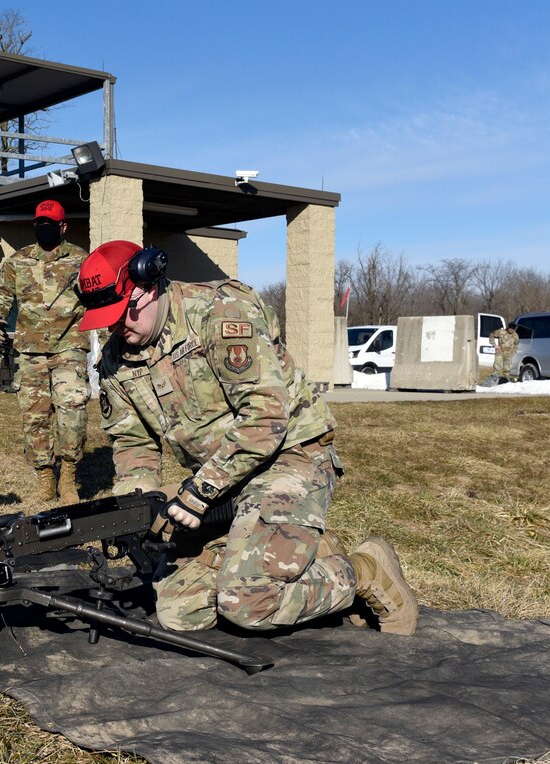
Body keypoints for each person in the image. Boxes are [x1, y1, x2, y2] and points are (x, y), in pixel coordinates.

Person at [77, 240, 419, 636]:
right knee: (179, 612)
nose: (116, 327)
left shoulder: (219, 314)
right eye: (105, 319)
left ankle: (364, 570)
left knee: (248, 605)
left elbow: (265, 416)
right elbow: (133, 445)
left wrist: (198, 493)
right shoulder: (117, 360)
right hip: (223, 481)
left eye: (122, 314)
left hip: (290, 457)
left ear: (148, 285)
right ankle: (289, 553)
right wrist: (134, 507)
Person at [0, 200, 89, 504]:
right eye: (40, 223)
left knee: (72, 411)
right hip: (29, 351)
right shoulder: (17, 261)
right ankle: (46, 478)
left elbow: (97, 300)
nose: (45, 228)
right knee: (35, 418)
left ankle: (68, 477)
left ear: (63, 226)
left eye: (51, 223)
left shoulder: (81, 260)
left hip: (70, 346)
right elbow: (1, 296)